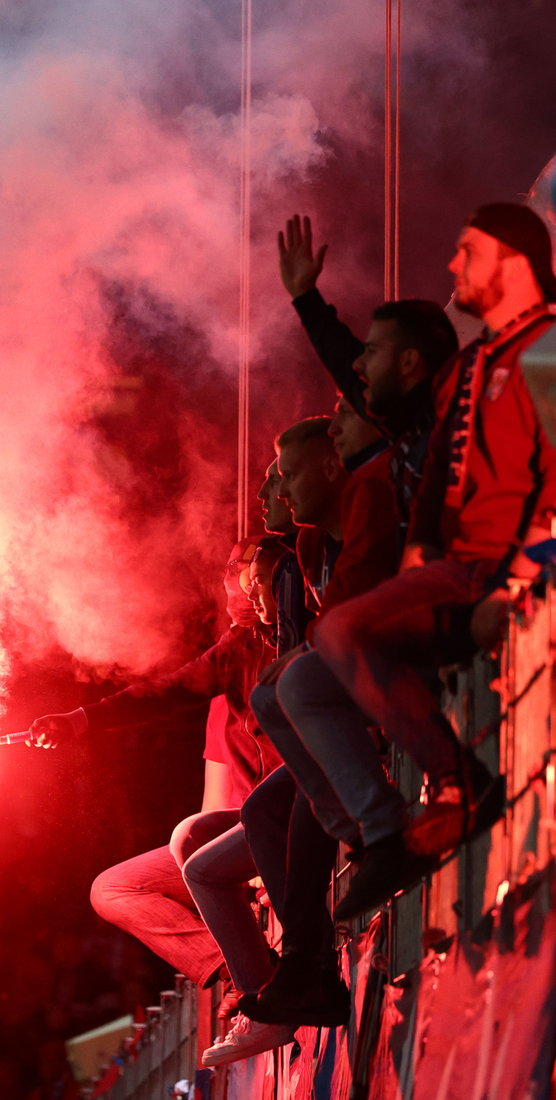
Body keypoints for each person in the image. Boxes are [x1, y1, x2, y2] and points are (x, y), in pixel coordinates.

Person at [311, 202, 556, 920]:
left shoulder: (546, 349)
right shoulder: (476, 363)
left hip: (502, 571)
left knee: (338, 635)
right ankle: (379, 835)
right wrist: (419, 560)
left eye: (466, 251)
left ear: (511, 260)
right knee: (307, 682)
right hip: (456, 573)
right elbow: (432, 490)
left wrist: (517, 583)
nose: (453, 265)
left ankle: (457, 785)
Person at [189, 412, 395, 1065]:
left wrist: (306, 302)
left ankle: (300, 966)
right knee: (245, 814)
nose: (271, 491)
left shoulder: (371, 515)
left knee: (289, 713)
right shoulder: (307, 553)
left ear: (332, 467)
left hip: (384, 696)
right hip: (334, 721)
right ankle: (298, 970)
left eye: (283, 475)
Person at [24, 533, 287, 989]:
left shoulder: (305, 647)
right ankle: (240, 970)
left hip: (291, 817)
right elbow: (161, 694)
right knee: (113, 888)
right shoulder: (235, 652)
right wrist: (79, 720)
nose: (234, 588)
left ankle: (257, 980)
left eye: (248, 577)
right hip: (250, 829)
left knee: (192, 841)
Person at [278, 213, 459, 538]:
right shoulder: (412, 428)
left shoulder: (451, 434)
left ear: (408, 362)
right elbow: (348, 369)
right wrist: (306, 298)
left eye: (372, 353)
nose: (360, 365)